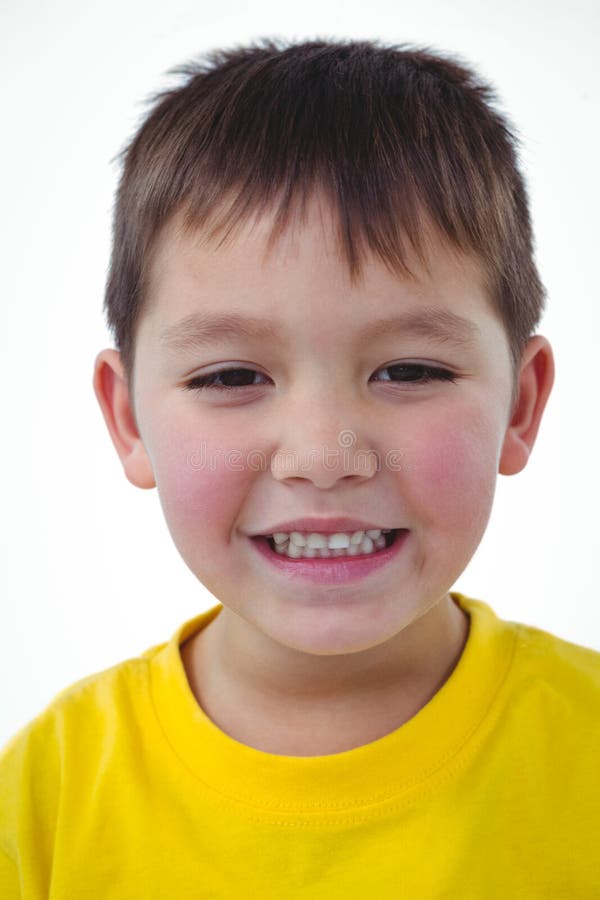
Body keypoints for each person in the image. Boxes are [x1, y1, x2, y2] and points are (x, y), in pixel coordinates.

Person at [1, 37, 599, 897]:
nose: (323, 456)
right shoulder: (44, 797)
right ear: (128, 418)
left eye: (410, 371)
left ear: (521, 404)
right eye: (232, 376)